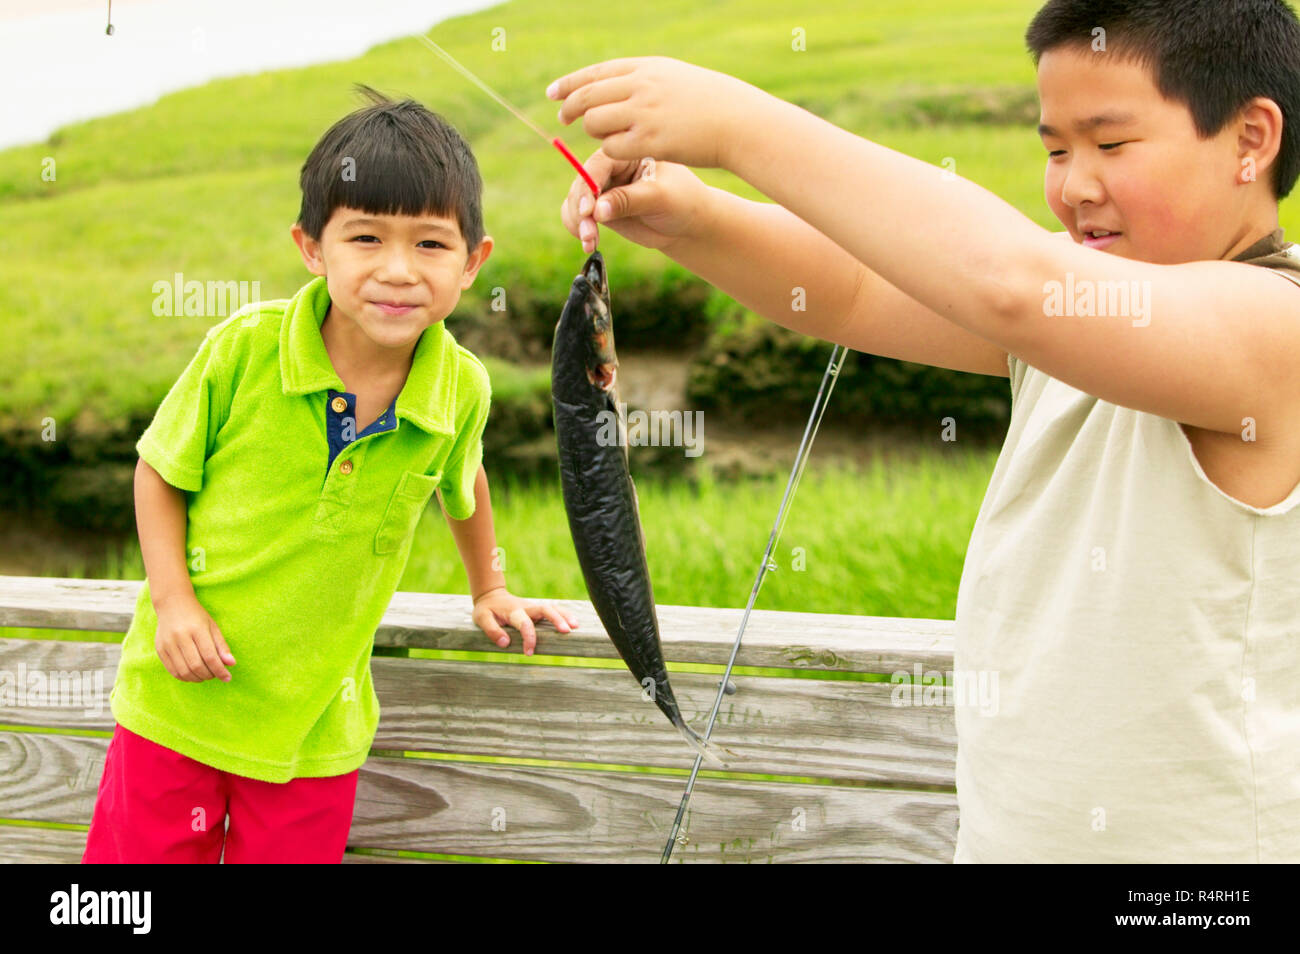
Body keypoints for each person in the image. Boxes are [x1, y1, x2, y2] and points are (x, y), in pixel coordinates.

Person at [551, 0, 1300, 862]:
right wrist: (698, 217)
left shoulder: (1272, 331)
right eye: (1055, 149)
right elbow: (852, 293)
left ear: (1251, 139)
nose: (1074, 184)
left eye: (1111, 143)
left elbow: (1011, 281)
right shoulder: (1073, 331)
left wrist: (738, 125)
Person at [82, 86, 578, 864]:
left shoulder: (462, 387)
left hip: (316, 728)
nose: (398, 270)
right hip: (180, 699)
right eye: (365, 239)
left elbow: (465, 480)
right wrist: (174, 603)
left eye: (431, 245)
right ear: (312, 247)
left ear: (475, 261)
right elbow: (159, 473)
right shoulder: (245, 349)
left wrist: (489, 586)